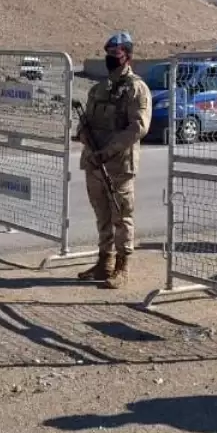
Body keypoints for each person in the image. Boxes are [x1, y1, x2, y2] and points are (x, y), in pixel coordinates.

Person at [76, 32, 152, 289]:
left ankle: (122, 266)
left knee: (122, 215)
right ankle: (104, 262)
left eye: (115, 54)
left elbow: (138, 127)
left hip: (118, 165)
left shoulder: (136, 89)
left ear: (127, 57)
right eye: (107, 54)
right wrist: (84, 135)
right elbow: (85, 122)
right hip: (95, 162)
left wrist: (108, 151)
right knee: (102, 215)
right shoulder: (99, 89)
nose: (110, 59)